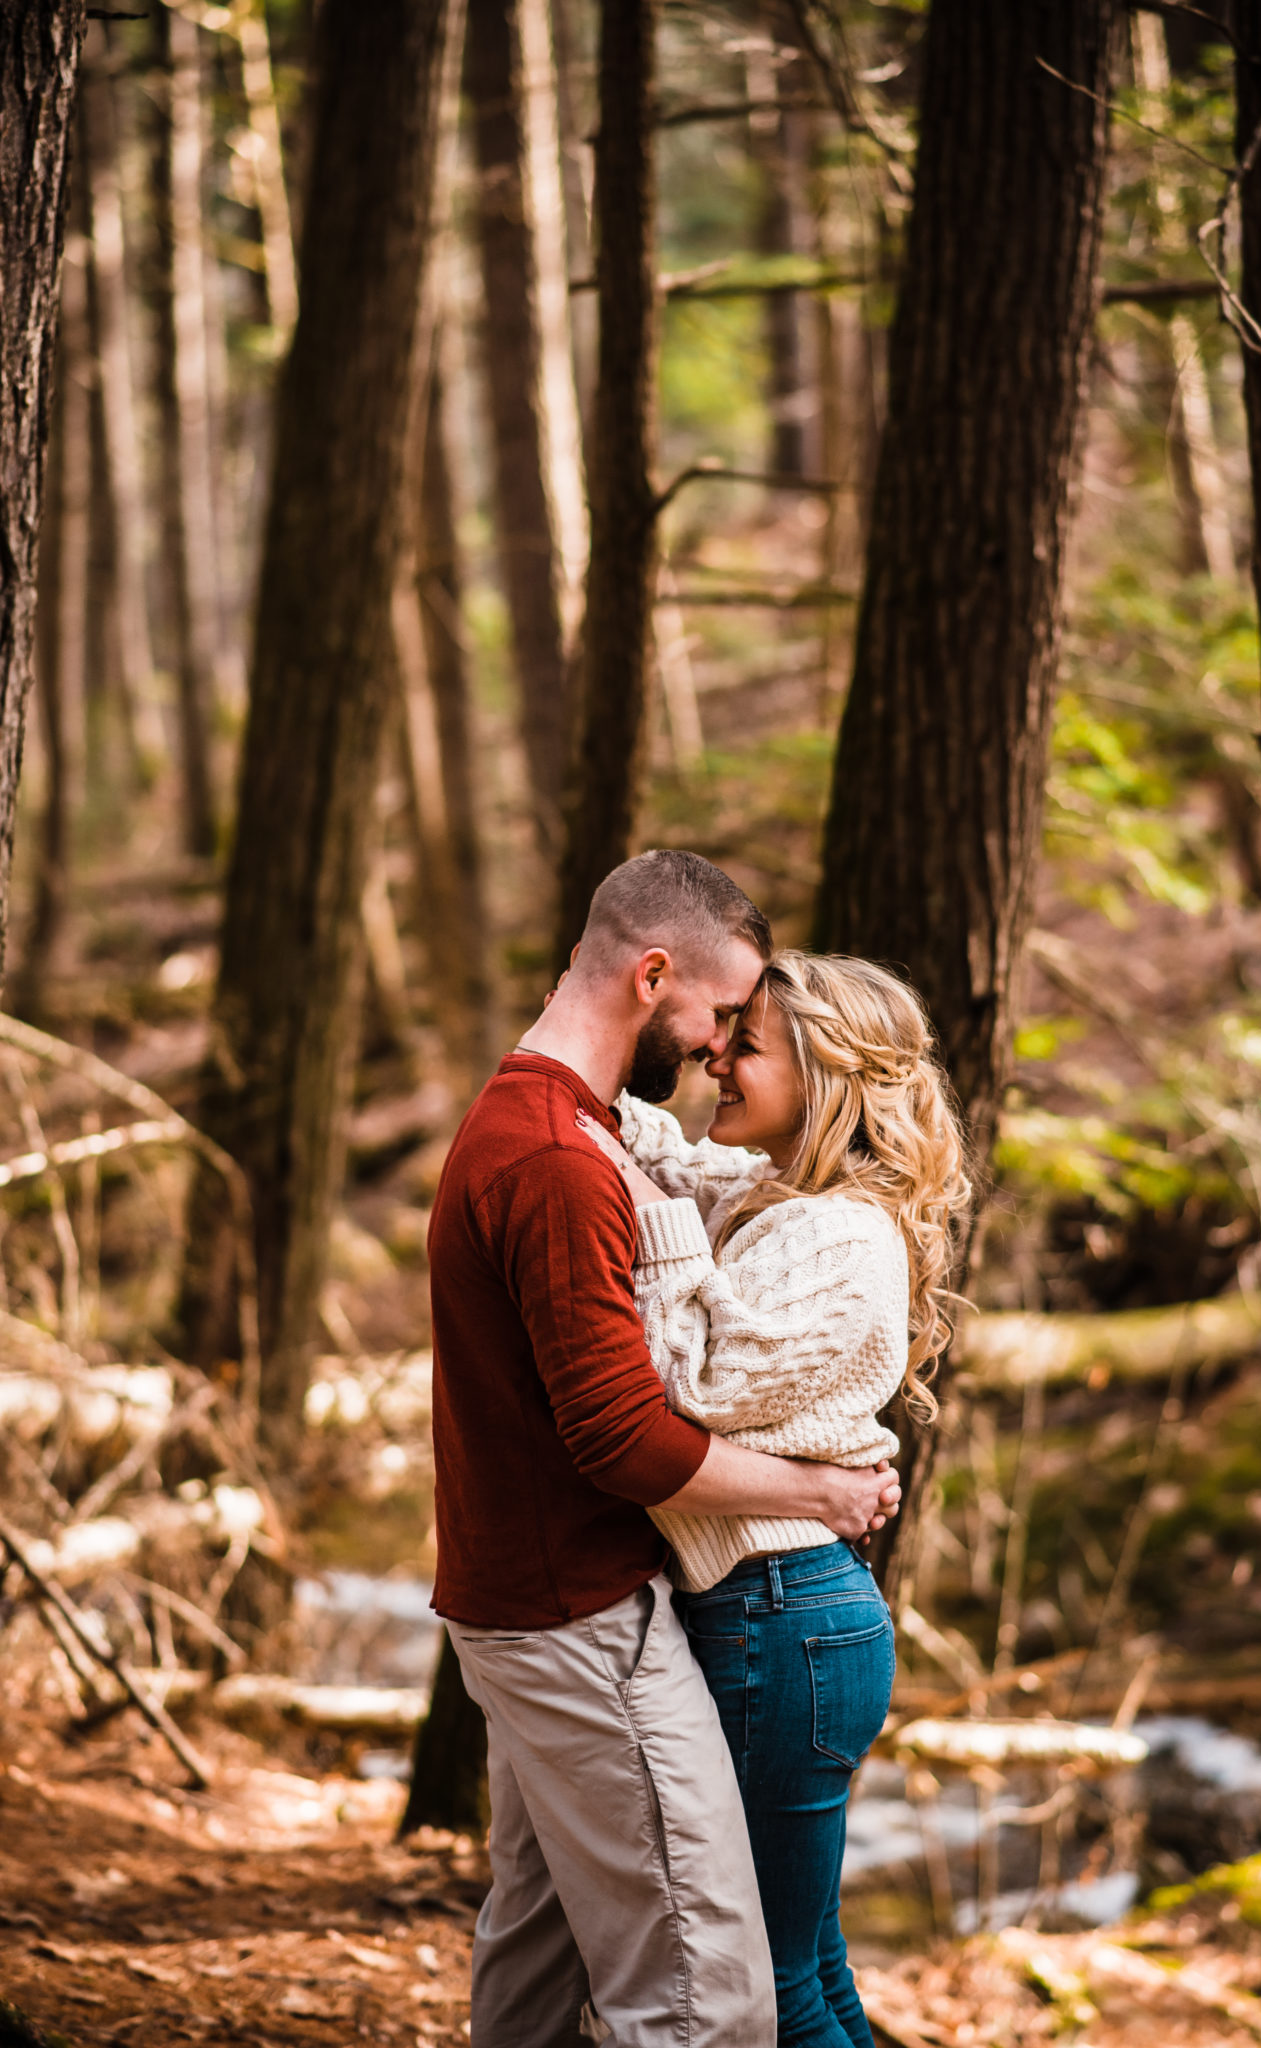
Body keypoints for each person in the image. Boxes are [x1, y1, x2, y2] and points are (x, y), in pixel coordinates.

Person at [428, 854, 902, 2048]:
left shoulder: (547, 1123)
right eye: (719, 1017)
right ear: (651, 975)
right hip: (577, 1611)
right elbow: (627, 1437)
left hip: (526, 1599)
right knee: (710, 2004)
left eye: (746, 1034)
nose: (713, 1050)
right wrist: (821, 1487)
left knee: (537, 1952)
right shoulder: (555, 1157)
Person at [578, 951, 971, 2048]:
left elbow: (688, 1381)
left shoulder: (836, 1234)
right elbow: (666, 1155)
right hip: (790, 1621)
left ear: (826, 1072)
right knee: (812, 1961)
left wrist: (653, 1225)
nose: (716, 1057)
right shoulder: (777, 1196)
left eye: (743, 1045)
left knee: (770, 1977)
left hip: (778, 1622)